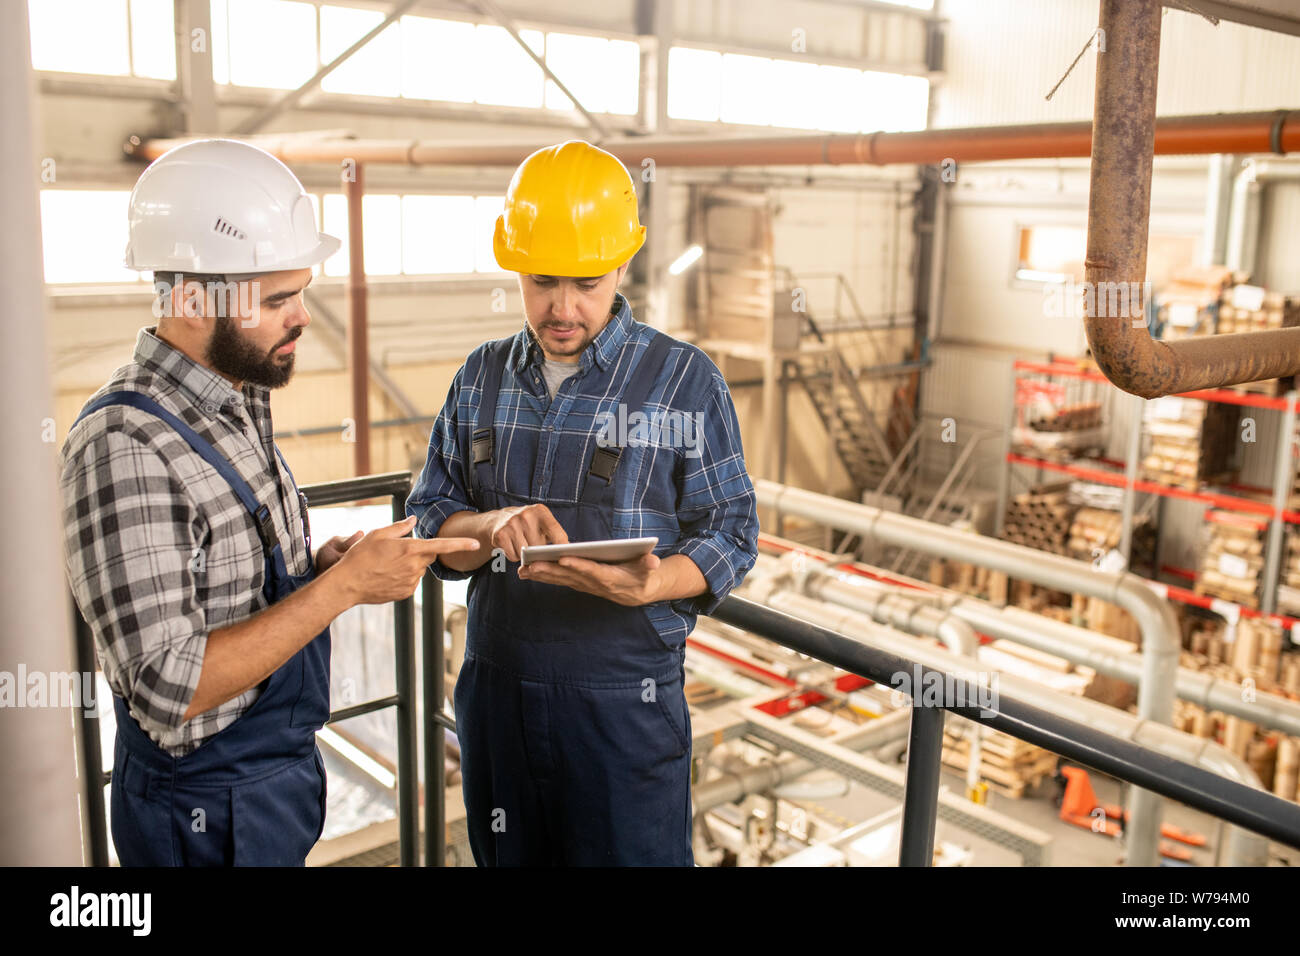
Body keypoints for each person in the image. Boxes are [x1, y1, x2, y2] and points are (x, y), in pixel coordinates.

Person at [59, 139, 478, 866]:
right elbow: (169, 685)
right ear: (191, 300)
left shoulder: (236, 396)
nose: (303, 317)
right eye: (279, 299)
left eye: (301, 292)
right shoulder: (123, 445)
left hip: (268, 784)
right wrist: (342, 591)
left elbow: (232, 580)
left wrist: (321, 568)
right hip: (201, 813)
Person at [407, 140, 759, 866]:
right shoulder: (481, 377)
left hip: (622, 711)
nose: (562, 307)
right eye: (542, 282)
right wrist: (486, 524)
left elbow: (733, 529)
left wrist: (658, 582)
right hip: (497, 696)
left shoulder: (682, 382)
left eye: (587, 283)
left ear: (623, 266)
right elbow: (429, 514)